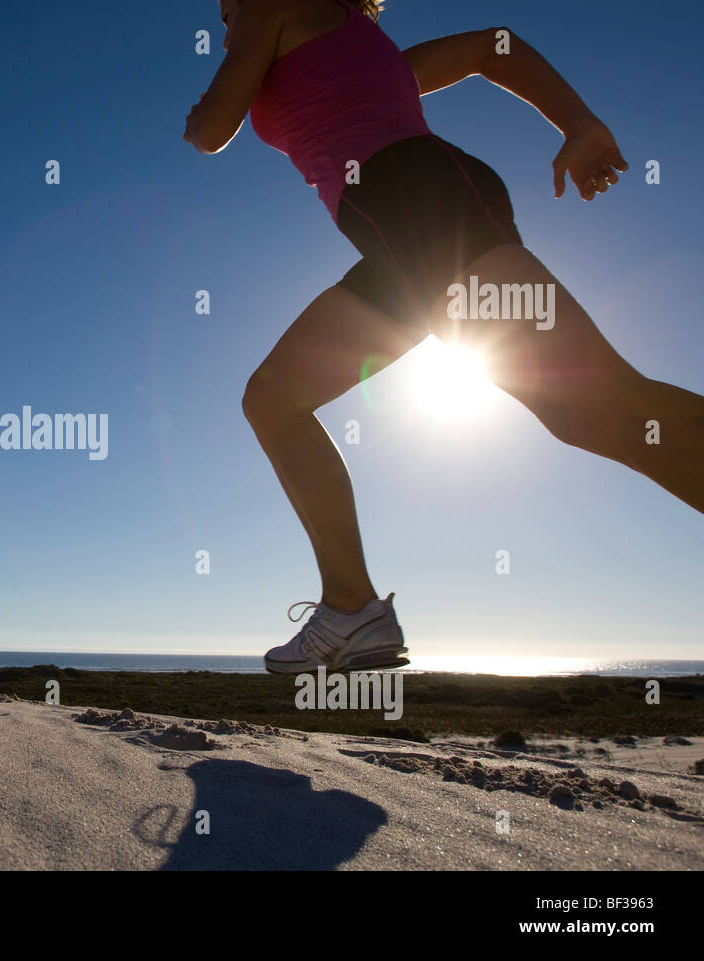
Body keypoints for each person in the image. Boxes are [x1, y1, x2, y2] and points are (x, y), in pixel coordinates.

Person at [182, 0, 704, 673]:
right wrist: (580, 123)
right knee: (274, 397)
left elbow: (211, 127)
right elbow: (493, 46)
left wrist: (214, 91)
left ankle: (349, 607)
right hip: (400, 233)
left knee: (600, 406)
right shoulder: (367, 50)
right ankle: (351, 607)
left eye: (225, 5)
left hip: (422, 207)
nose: (225, 17)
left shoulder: (271, 8)